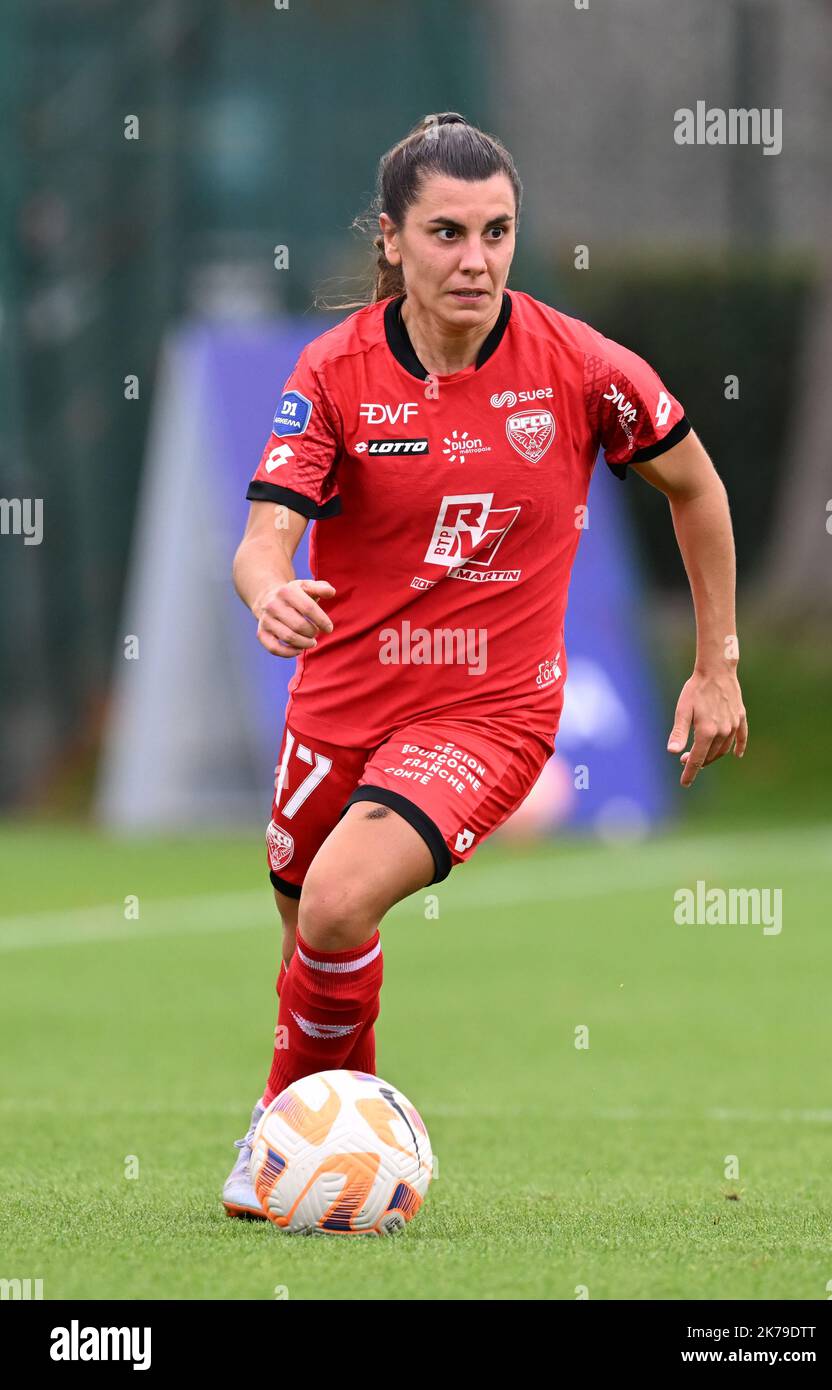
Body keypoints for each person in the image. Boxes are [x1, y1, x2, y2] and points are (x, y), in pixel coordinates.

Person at [222, 112, 748, 1218]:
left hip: (486, 715)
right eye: (448, 233)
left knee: (330, 909)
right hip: (338, 707)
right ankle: (308, 1143)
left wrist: (717, 663)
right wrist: (271, 592)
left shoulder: (578, 366)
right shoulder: (333, 373)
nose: (475, 259)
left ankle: (314, 1145)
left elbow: (696, 487)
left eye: (497, 232)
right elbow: (264, 533)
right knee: (313, 947)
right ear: (393, 240)